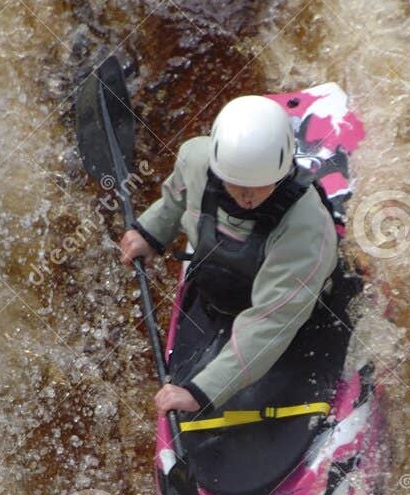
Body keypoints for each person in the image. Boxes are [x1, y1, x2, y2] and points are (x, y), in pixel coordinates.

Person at [119, 96, 340, 417]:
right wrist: (150, 233)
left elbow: (273, 320)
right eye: (236, 186)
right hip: (220, 293)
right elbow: (175, 199)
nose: (247, 197)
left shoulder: (306, 228)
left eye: (260, 187)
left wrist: (203, 390)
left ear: (281, 174)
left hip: (294, 317)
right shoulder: (195, 159)